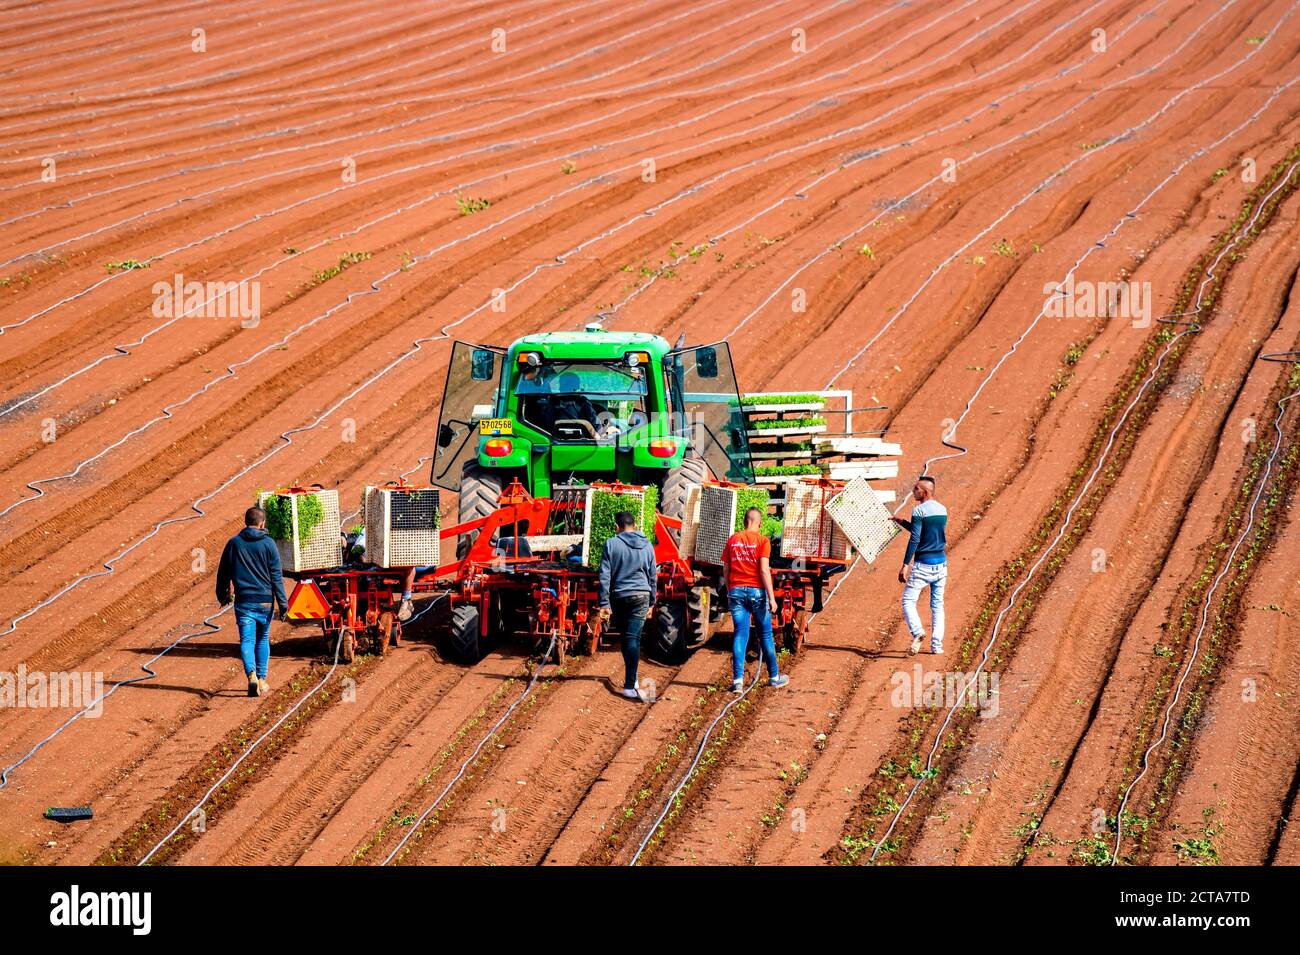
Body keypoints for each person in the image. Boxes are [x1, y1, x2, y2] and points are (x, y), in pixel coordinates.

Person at [216, 506, 289, 697]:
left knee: (247, 640)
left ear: (245, 522)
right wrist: (283, 604)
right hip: (265, 601)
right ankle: (262, 680)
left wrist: (223, 595)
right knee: (262, 639)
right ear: (262, 523)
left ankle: (251, 676)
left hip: (244, 601)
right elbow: (276, 577)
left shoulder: (234, 544)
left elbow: (223, 573)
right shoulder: (269, 544)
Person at [721, 507, 789, 693]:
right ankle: (774, 677)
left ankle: (737, 682)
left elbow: (726, 570)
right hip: (757, 593)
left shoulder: (733, 540)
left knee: (740, 635)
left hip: (736, 593)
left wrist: (730, 591)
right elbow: (764, 570)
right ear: (759, 523)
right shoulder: (762, 541)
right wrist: (772, 598)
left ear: (745, 522)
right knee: (765, 635)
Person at [597, 511, 657, 701]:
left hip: (619, 596)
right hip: (641, 595)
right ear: (635, 526)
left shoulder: (611, 544)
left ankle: (631, 683)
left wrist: (604, 602)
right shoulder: (647, 545)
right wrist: (652, 601)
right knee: (631, 639)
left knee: (628, 638)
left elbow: (605, 576)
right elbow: (653, 575)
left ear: (617, 527)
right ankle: (631, 682)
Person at [894, 475, 948, 655]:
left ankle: (917, 632)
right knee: (937, 605)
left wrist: (905, 564)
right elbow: (926, 532)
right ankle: (936, 646)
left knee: (908, 600)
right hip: (941, 564)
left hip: (923, 565)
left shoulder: (919, 511)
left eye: (916, 488)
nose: (913, 490)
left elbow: (916, 538)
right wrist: (903, 522)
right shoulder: (942, 509)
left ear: (924, 492)